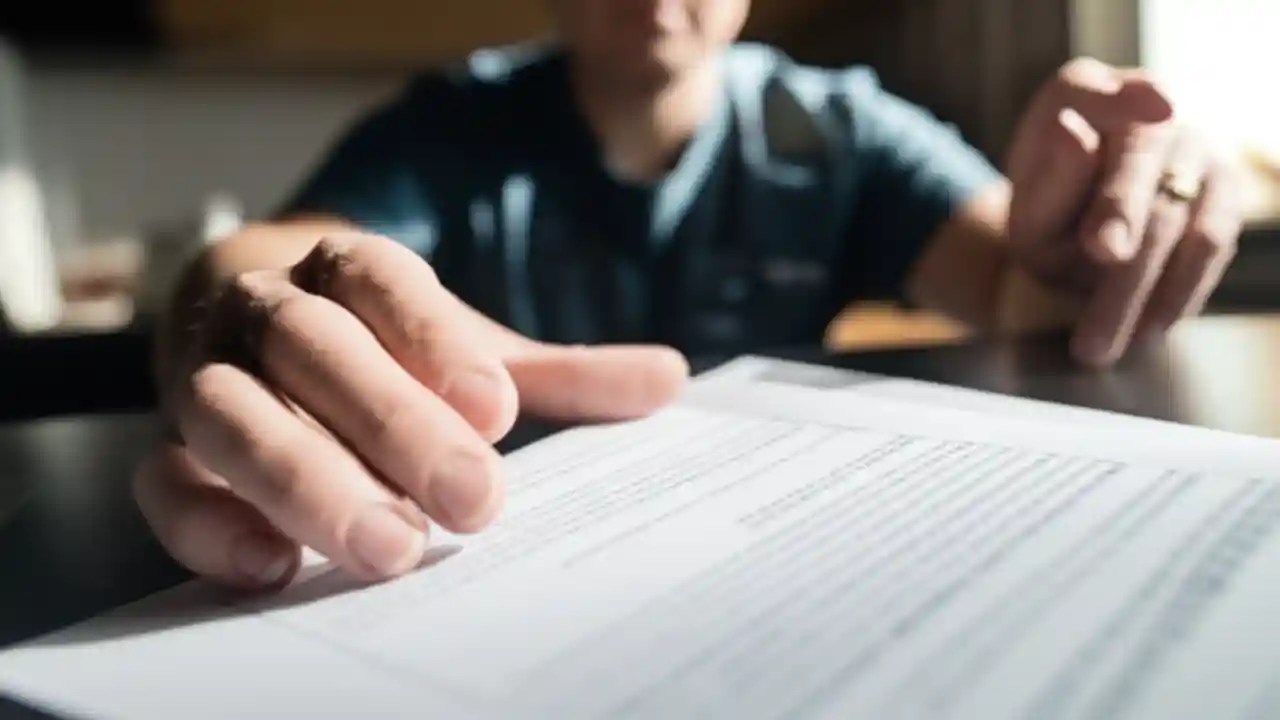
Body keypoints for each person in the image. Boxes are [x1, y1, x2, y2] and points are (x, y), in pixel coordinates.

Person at [133, 0, 1244, 589]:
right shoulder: (448, 129)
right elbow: (278, 257)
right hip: (489, 576)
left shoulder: (840, 128)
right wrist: (237, 312)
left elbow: (1014, 285)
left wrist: (1097, 245)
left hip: (785, 576)